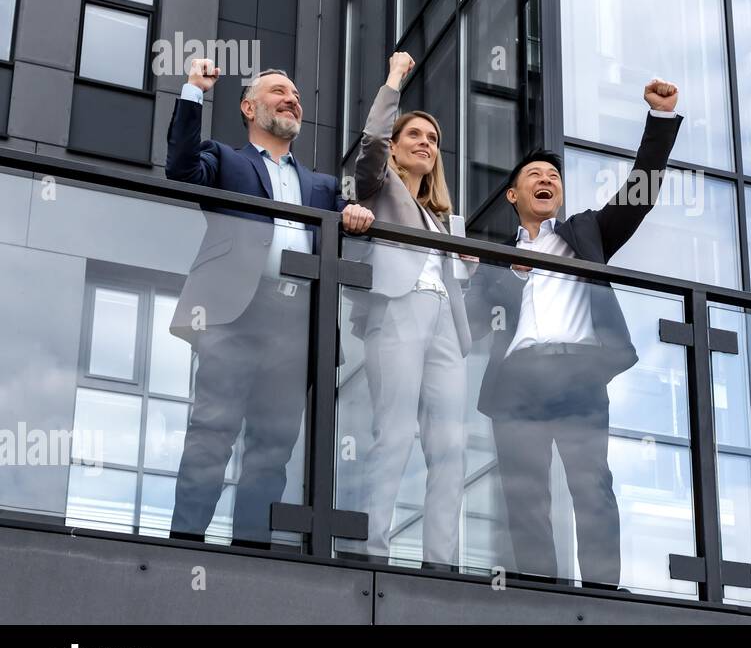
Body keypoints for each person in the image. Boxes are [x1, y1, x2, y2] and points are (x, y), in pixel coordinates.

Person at [468, 79, 682, 588]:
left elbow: (639, 196)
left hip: (578, 377)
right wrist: (499, 277)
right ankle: (541, 597)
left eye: (554, 177)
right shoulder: (496, 259)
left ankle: (604, 593)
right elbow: (472, 324)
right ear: (513, 195)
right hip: (516, 382)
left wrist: (661, 121)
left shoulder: (586, 233)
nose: (547, 180)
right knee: (525, 495)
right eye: (534, 175)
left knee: (592, 489)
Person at [166, 56, 374, 545]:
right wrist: (194, 90)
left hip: (297, 324)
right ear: (248, 106)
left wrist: (359, 215)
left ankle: (251, 555)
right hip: (233, 317)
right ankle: (182, 549)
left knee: (273, 448)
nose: (292, 100)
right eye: (280, 92)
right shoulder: (225, 159)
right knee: (211, 433)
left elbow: (356, 227)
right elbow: (181, 170)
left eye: (297, 96)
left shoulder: (323, 186)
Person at [350, 50, 474, 567]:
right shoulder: (379, 188)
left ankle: (440, 562)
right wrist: (394, 81)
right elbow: (371, 143)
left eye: (433, 140)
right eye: (415, 136)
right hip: (400, 309)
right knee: (395, 431)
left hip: (447, 322)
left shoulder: (444, 220)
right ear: (397, 151)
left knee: (451, 446)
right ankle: (371, 551)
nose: (426, 143)